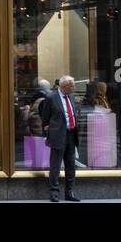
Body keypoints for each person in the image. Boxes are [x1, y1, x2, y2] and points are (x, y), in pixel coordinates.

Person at [41, 73, 81, 203]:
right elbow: (45, 118)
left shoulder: (71, 97)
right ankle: (54, 193)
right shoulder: (51, 98)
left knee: (70, 165)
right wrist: (49, 132)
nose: (74, 87)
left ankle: (69, 192)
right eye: (72, 85)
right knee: (56, 166)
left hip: (71, 134)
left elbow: (73, 114)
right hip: (58, 135)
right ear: (64, 86)